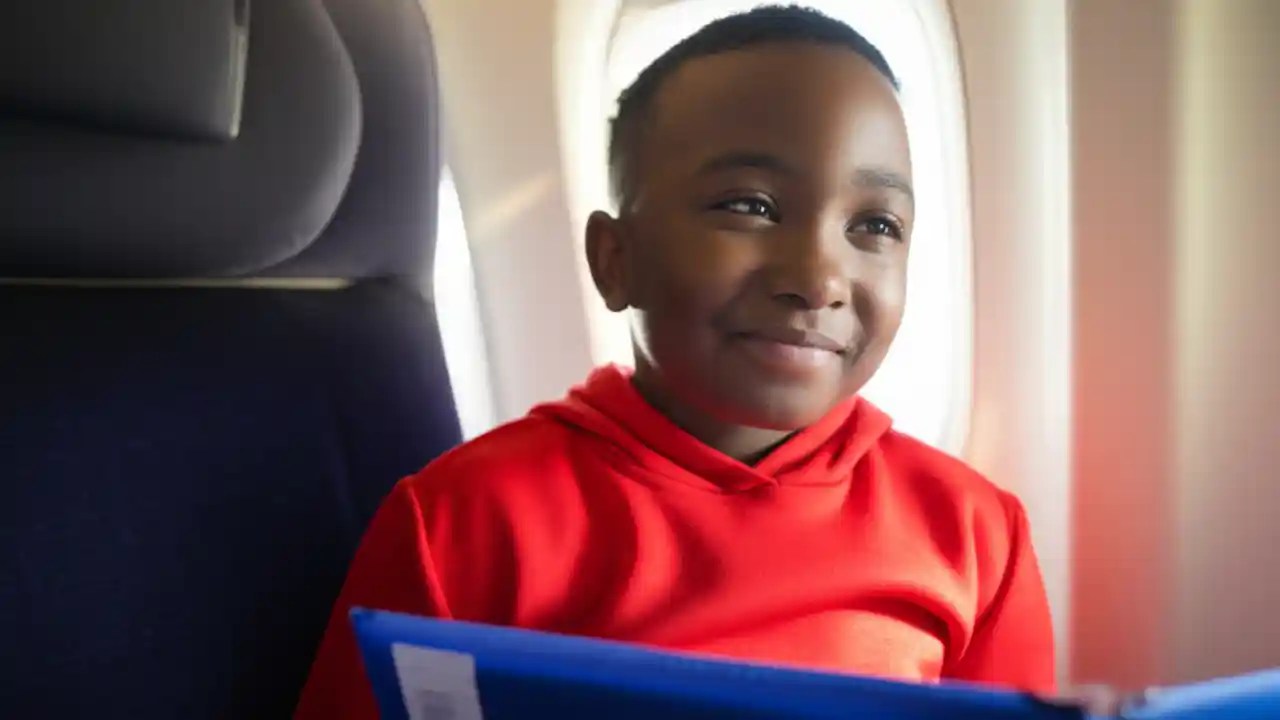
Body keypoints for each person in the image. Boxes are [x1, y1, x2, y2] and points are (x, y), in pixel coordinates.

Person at [294, 6, 1055, 717]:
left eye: (875, 224)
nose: (818, 279)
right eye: (750, 207)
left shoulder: (975, 534)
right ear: (616, 260)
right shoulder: (465, 521)